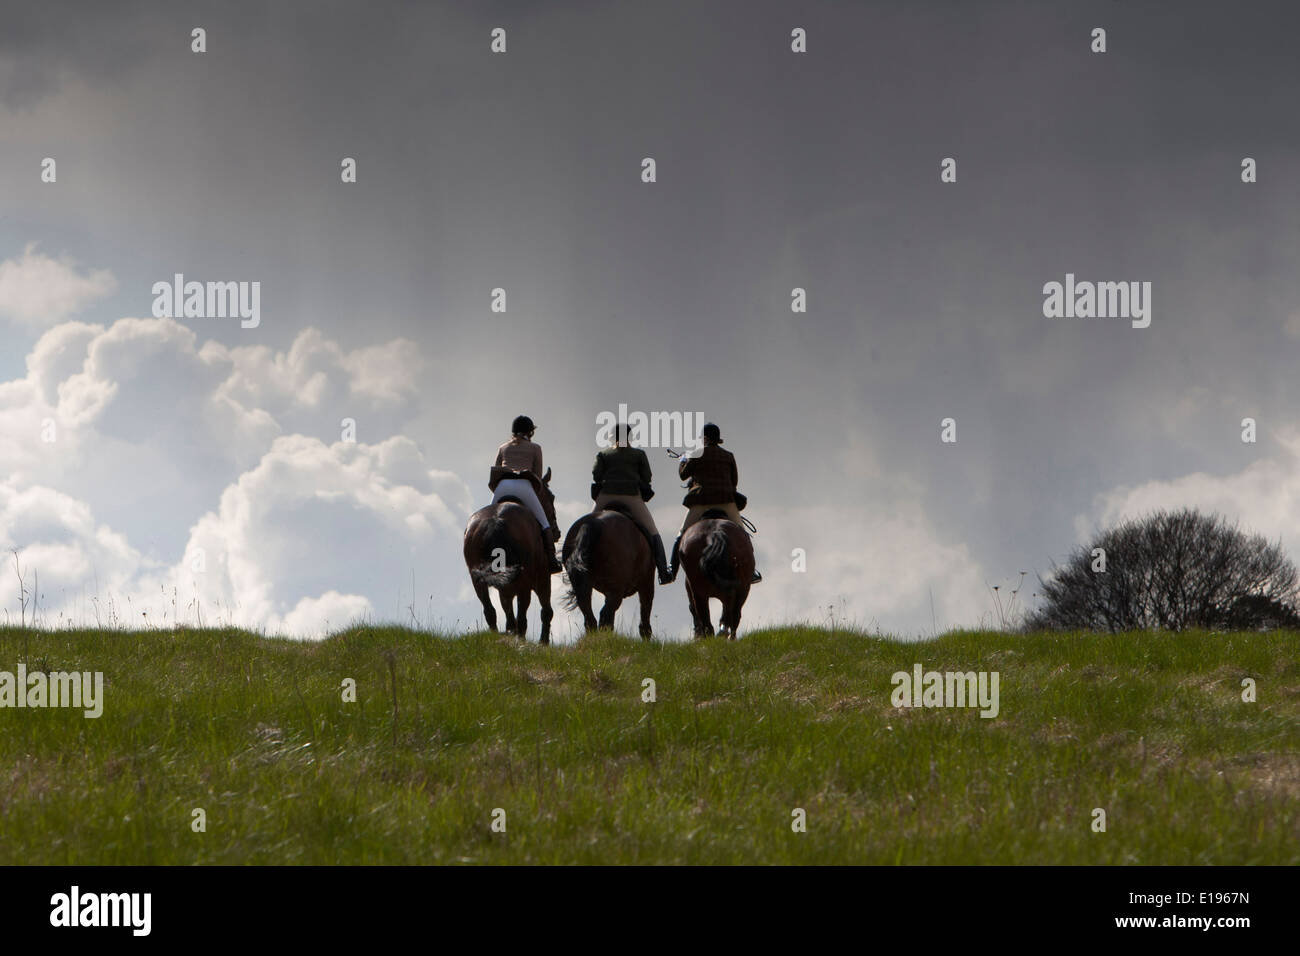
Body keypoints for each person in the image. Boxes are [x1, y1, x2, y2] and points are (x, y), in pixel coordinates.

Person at [667, 422, 762, 583]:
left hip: (701, 501)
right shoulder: (728, 455)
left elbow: (683, 475)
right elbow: (734, 482)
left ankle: (671, 571)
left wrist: (683, 460)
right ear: (718, 439)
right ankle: (751, 571)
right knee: (743, 534)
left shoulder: (696, 454)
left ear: (704, 438)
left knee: (681, 534)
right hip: (726, 501)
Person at [591, 423, 672, 584]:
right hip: (631, 497)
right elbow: (647, 477)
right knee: (653, 532)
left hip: (606, 495)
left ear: (612, 437)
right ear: (629, 437)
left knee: (586, 527)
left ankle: (575, 564)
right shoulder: (639, 454)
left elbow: (596, 475)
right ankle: (663, 571)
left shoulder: (603, 454)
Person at [490, 415, 561, 573]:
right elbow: (537, 476)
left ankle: (491, 562)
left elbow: (496, 471)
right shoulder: (535, 448)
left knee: (490, 524)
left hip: (503, 486)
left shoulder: (502, 447)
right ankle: (551, 559)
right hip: (524, 486)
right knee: (544, 524)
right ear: (530, 433)